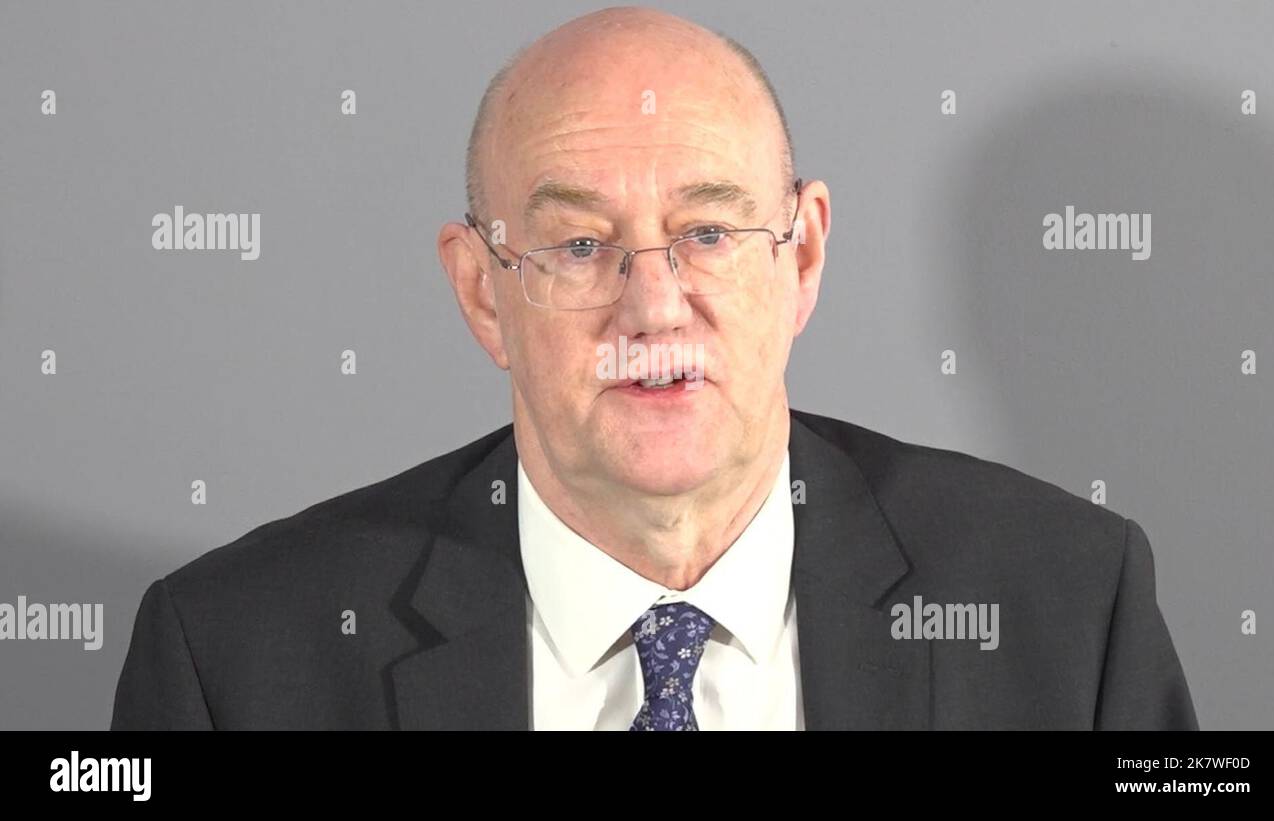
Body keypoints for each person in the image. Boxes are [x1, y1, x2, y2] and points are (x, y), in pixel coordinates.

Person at [112, 6, 1197, 730]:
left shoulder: (1065, 604)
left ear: (803, 252)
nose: (653, 302)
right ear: (484, 287)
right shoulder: (236, 659)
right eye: (580, 245)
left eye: (709, 232)